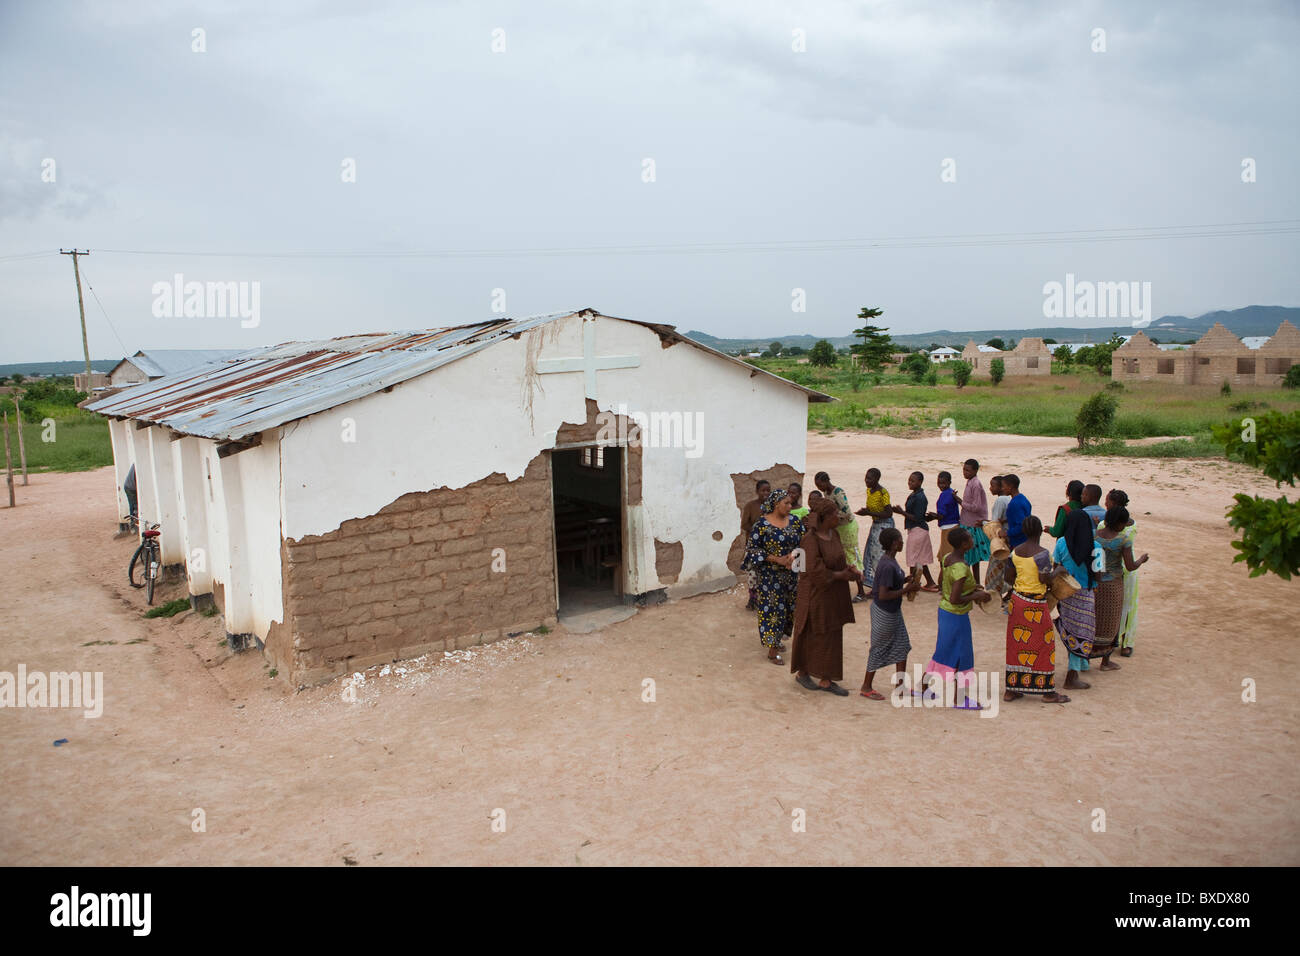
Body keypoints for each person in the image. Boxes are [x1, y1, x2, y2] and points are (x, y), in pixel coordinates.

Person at [790, 496, 855, 696]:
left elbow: (838, 559)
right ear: (825, 517)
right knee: (814, 633)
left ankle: (827, 679)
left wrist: (848, 570)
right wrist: (839, 575)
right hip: (815, 594)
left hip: (833, 594)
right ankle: (803, 672)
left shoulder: (833, 534)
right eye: (835, 514)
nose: (838, 516)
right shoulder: (810, 540)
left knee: (832, 634)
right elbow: (812, 570)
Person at [1004, 515, 1071, 703]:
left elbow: (1008, 577)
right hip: (1036, 604)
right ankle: (1048, 691)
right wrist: (1058, 571)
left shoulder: (1015, 552)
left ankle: (1012, 689)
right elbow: (1045, 579)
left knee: (1016, 646)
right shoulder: (1042, 554)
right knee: (1044, 645)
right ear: (1041, 530)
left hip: (1017, 601)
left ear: (1024, 531)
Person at [924, 527, 992, 709]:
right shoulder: (961, 567)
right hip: (956, 614)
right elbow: (956, 598)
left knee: (943, 651)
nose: (972, 540)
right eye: (969, 538)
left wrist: (971, 588)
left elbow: (943, 584)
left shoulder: (948, 558)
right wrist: (975, 596)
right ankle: (959, 698)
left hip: (945, 611)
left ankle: (924, 687)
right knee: (962, 655)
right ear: (963, 545)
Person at [741, 488, 804, 665]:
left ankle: (776, 640)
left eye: (791, 503)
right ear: (776, 505)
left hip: (791, 575)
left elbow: (803, 542)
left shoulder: (795, 522)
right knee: (773, 611)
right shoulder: (762, 525)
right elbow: (752, 549)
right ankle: (772, 650)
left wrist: (792, 556)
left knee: (789, 608)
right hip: (771, 577)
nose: (790, 507)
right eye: (787, 503)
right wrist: (776, 559)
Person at [860, 527, 919, 699]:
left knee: (902, 645)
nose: (902, 542)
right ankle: (866, 686)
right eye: (900, 540)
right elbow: (884, 594)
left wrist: (905, 580)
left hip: (892, 610)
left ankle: (901, 686)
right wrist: (907, 589)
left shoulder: (889, 560)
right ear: (894, 544)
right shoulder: (887, 565)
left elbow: (891, 585)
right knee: (878, 648)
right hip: (885, 612)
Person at [1094, 505, 1149, 669]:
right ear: (1120, 523)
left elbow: (1094, 564)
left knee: (1094, 619)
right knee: (1112, 623)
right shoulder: (1124, 540)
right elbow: (1131, 566)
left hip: (1097, 583)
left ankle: (1084, 659)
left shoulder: (1095, 537)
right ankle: (1105, 661)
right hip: (1114, 585)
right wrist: (1142, 559)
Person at [1052, 507, 1097, 690]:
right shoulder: (1096, 546)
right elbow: (1099, 575)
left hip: (1066, 593)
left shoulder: (1062, 543)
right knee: (1083, 631)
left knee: (1071, 630)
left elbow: (1056, 566)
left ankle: (1079, 663)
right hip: (1085, 593)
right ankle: (1072, 675)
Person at [814, 472, 868, 602]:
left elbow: (847, 513)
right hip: (838, 528)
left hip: (847, 528)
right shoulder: (827, 493)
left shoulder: (838, 492)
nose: (819, 488)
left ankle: (861, 592)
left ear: (826, 481)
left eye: (819, 485)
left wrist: (832, 517)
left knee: (852, 556)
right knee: (841, 556)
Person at [1107, 489, 1140, 657]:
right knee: (1127, 607)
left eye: (1108, 502)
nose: (1105, 504)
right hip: (1126, 569)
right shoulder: (1132, 525)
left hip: (1117, 570)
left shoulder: (1103, 526)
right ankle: (1126, 642)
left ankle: (1115, 639)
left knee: (1116, 606)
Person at [892, 471, 938, 592]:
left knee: (913, 559)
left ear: (920, 482)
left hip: (918, 530)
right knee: (919, 559)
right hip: (917, 529)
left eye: (913, 481)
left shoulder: (920, 497)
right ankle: (930, 583)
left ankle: (912, 585)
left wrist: (901, 512)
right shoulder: (915, 494)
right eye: (909, 480)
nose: (910, 482)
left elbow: (917, 518)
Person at [855, 468, 893, 592]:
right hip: (876, 524)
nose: (866, 480)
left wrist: (868, 513)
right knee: (871, 554)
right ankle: (877, 585)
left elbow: (888, 513)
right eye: (866, 477)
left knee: (878, 556)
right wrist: (866, 512)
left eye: (869, 478)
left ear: (877, 479)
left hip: (883, 526)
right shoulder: (869, 491)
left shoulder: (883, 493)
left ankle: (880, 587)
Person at [955, 459, 990, 585]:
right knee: (970, 557)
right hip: (967, 522)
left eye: (968, 470)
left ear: (975, 471)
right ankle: (973, 583)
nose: (965, 472)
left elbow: (976, 506)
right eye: (964, 469)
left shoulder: (976, 484)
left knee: (972, 557)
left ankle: (975, 583)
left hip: (972, 525)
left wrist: (960, 501)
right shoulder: (970, 482)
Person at [740, 479, 770, 610]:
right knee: (752, 574)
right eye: (763, 490)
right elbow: (744, 525)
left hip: (768, 546)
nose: (766, 493)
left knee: (766, 574)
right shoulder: (750, 506)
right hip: (753, 546)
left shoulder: (772, 506)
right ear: (757, 491)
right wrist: (758, 529)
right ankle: (752, 599)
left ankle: (765, 600)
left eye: (768, 490)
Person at [984, 475, 1012, 601]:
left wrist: (984, 524)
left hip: (1000, 541)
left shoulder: (1001, 501)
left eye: (992, 485)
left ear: (1001, 487)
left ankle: (995, 598)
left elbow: (995, 523)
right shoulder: (1008, 499)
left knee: (995, 571)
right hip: (1007, 538)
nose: (990, 488)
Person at [929, 471, 961, 567]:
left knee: (946, 559)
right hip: (953, 526)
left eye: (943, 483)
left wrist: (933, 516)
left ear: (949, 482)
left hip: (949, 528)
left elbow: (941, 515)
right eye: (939, 483)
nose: (941, 485)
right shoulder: (950, 492)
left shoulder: (945, 495)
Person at [1003, 475, 1032, 550]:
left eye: (1004, 486)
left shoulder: (1014, 503)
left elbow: (1021, 525)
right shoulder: (1023, 498)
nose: (1002, 489)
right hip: (1027, 540)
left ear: (1010, 487)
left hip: (1019, 542)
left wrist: (1007, 533)